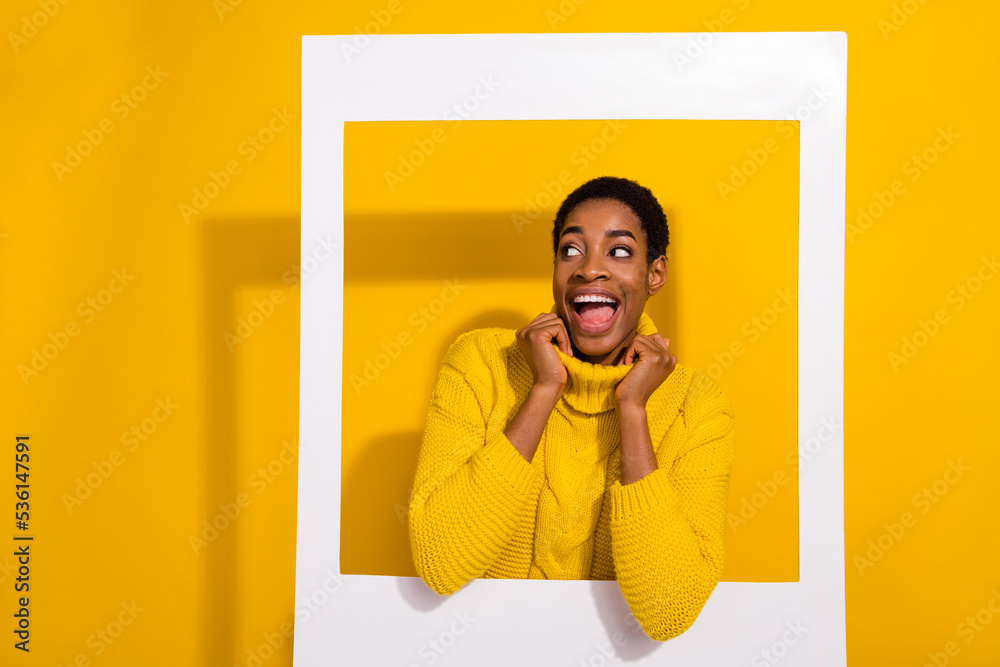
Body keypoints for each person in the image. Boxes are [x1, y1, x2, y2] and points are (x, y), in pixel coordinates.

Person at [408, 176, 735, 641]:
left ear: (655, 274)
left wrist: (632, 409)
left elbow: (668, 611)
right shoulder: (481, 362)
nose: (589, 270)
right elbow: (440, 562)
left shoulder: (699, 407)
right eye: (571, 251)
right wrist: (544, 390)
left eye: (619, 252)